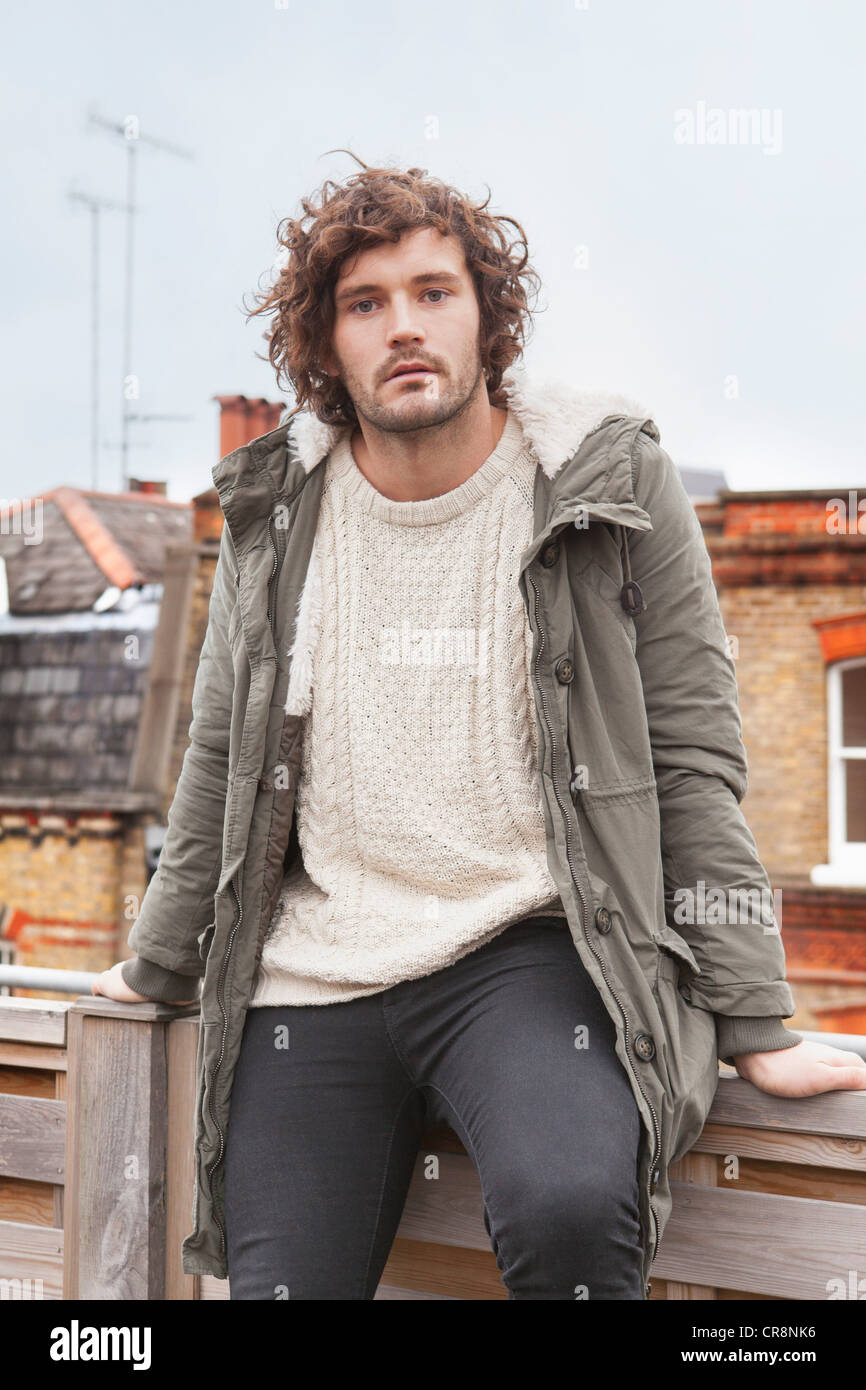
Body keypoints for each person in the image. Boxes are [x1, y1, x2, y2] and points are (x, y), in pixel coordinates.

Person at [93, 152, 866, 1299]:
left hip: (527, 951)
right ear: (325, 343)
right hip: (313, 972)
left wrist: (755, 1018)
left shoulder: (605, 486)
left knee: (570, 1209)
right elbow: (220, 753)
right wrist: (160, 967)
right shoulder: (277, 512)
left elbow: (692, 760)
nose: (402, 326)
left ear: (486, 315)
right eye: (366, 304)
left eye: (431, 292)